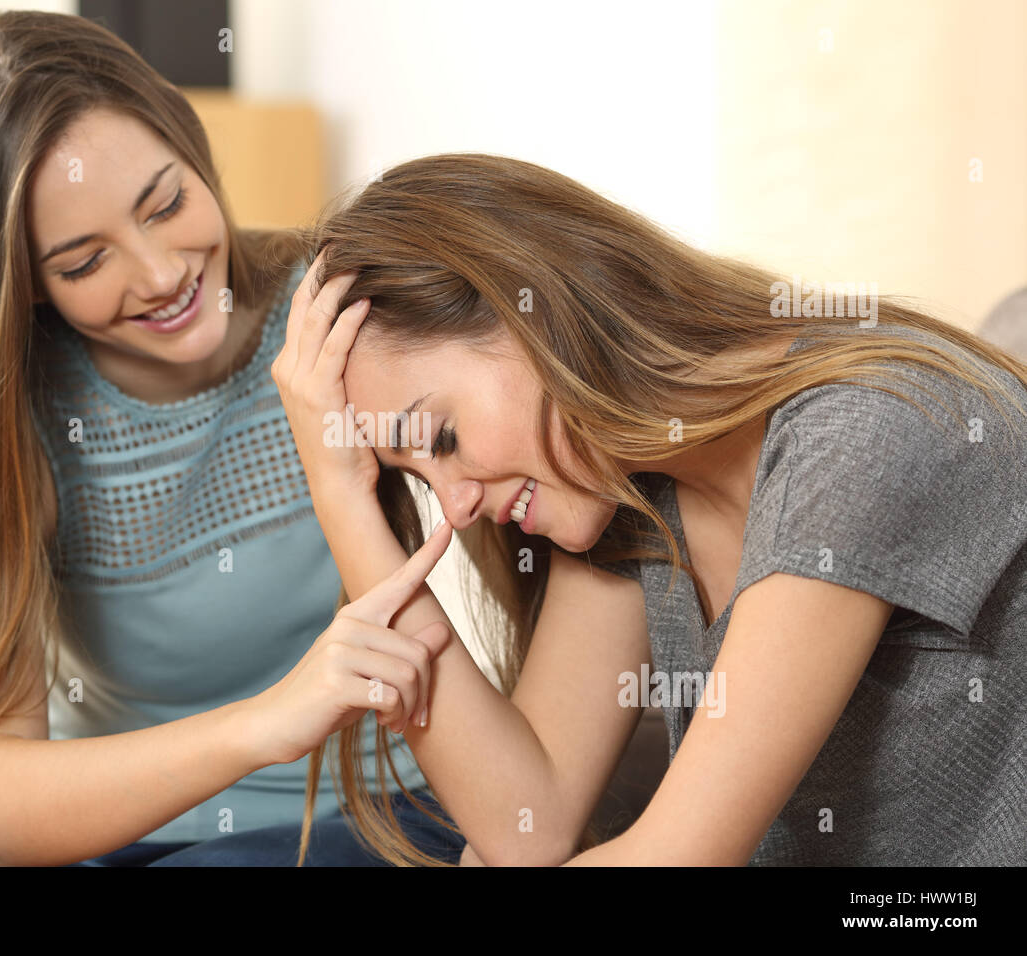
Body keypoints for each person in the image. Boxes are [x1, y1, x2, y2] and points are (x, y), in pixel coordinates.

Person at [0, 10, 464, 867]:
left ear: (194, 147)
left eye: (166, 203)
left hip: (366, 820)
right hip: (119, 835)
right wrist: (261, 726)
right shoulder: (18, 410)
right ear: (23, 283)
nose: (161, 275)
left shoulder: (332, 319)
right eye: (85, 262)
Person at [272, 152, 1027, 865]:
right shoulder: (635, 490)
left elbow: (681, 856)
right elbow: (524, 824)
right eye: (421, 478)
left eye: (441, 435)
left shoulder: (858, 435)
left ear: (537, 312)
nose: (458, 506)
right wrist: (339, 493)